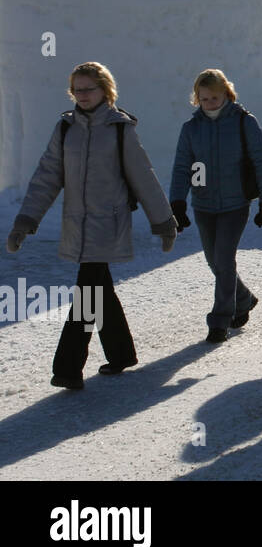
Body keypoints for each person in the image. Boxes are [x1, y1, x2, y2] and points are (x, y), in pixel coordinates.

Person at [6, 62, 177, 389]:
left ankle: (68, 368)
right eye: (77, 89)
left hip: (107, 225)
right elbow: (46, 178)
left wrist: (163, 222)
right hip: (77, 225)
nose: (82, 95)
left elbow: (143, 177)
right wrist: (25, 222)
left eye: (89, 88)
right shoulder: (65, 129)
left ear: (106, 91)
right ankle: (121, 354)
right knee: (100, 291)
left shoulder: (119, 128)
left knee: (86, 292)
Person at [169, 69, 262, 344]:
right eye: (204, 99)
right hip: (203, 205)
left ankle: (219, 320)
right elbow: (183, 167)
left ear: (227, 94)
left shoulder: (244, 122)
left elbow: (261, 161)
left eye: (215, 97)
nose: (210, 103)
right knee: (214, 261)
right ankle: (243, 299)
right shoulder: (191, 129)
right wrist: (178, 203)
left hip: (235, 204)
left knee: (224, 259)